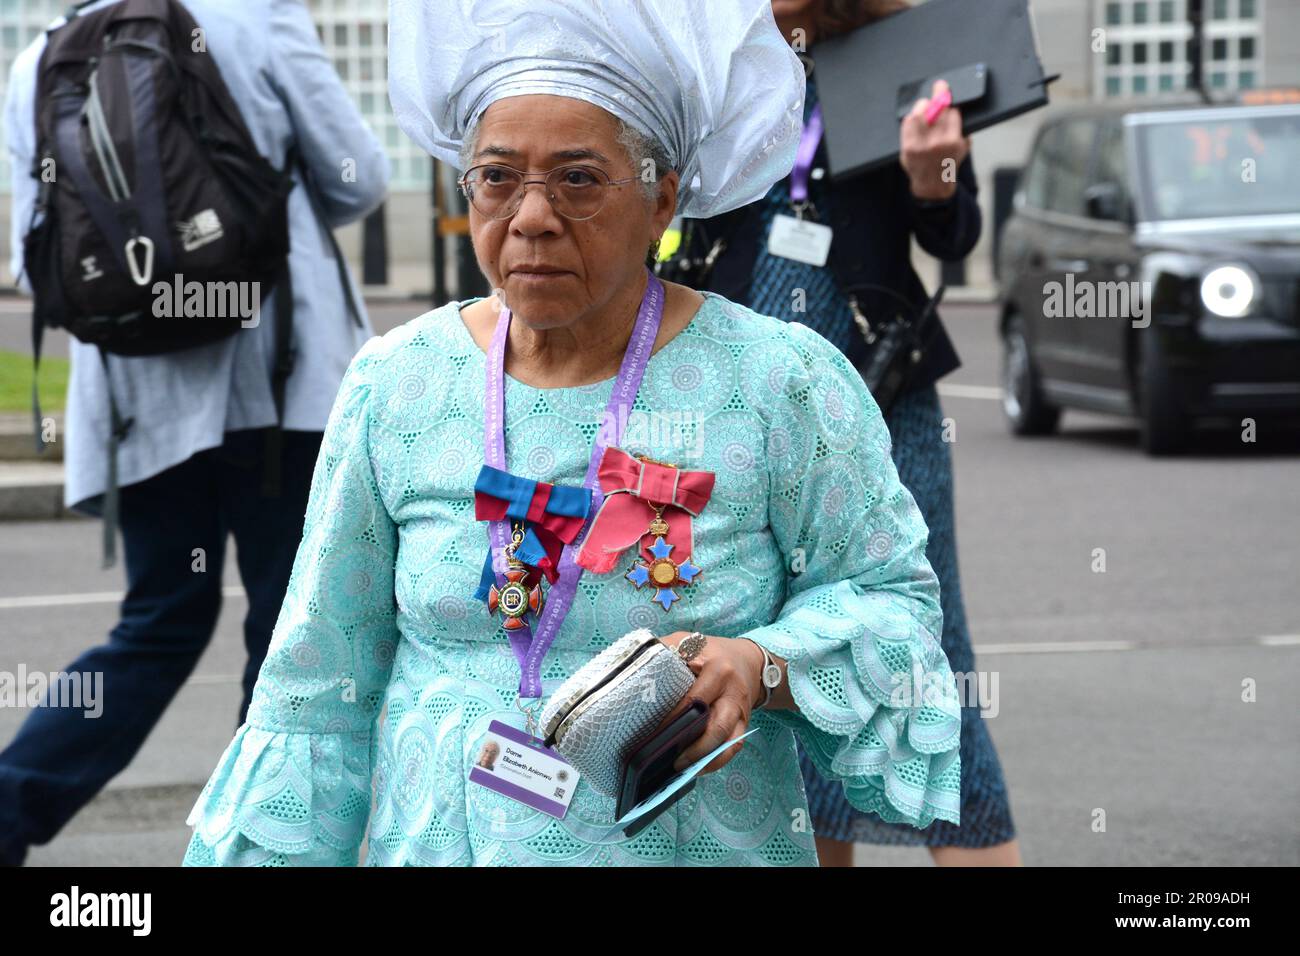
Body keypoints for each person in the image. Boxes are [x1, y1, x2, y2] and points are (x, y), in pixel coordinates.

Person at [181, 0, 964, 867]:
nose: (531, 216)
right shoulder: (397, 383)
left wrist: (759, 664)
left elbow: (893, 604)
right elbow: (314, 693)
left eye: (579, 179)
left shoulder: (781, 382)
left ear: (665, 196)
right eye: (497, 177)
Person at [0, 0, 388, 867]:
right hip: (281, 382)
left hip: (143, 397)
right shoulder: (256, 18)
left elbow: (39, 247)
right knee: (291, 631)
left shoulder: (43, 57)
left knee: (159, 622)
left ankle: (7, 811)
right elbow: (358, 180)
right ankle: (259, 845)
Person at [678, 0, 1021, 866]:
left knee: (922, 648)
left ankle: (970, 830)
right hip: (739, 393)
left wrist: (934, 176)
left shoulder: (905, 49)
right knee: (773, 642)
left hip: (880, 383)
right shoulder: (722, 58)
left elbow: (956, 231)